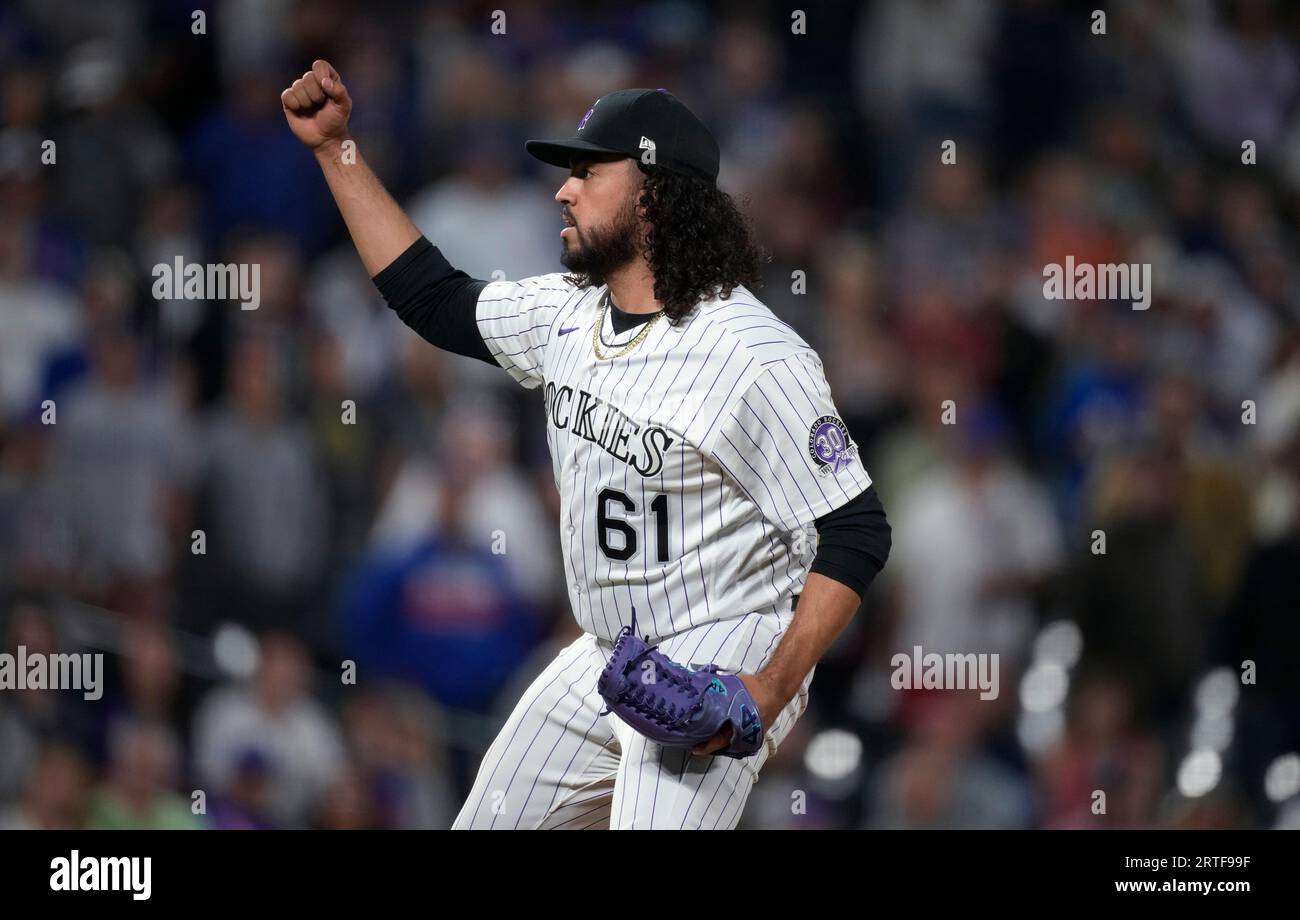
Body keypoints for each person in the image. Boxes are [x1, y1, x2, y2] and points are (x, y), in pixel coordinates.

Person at [282, 60, 891, 829]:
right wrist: (336, 149)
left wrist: (769, 688)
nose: (564, 191)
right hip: (609, 646)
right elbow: (431, 298)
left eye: (587, 173)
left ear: (653, 195)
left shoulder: (754, 356)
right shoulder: (566, 315)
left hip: (719, 650)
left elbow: (857, 528)